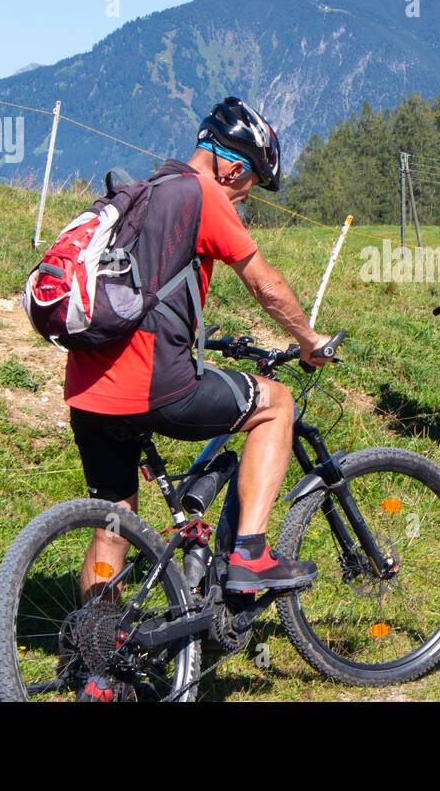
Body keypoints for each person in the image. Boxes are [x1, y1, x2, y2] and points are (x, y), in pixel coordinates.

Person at [64, 97, 333, 601]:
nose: (245, 199)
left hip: (87, 388)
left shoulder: (144, 192)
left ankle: (98, 660)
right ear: (232, 168)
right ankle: (251, 555)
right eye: (250, 186)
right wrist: (308, 340)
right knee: (277, 405)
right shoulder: (203, 195)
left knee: (114, 522)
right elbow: (265, 285)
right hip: (151, 382)